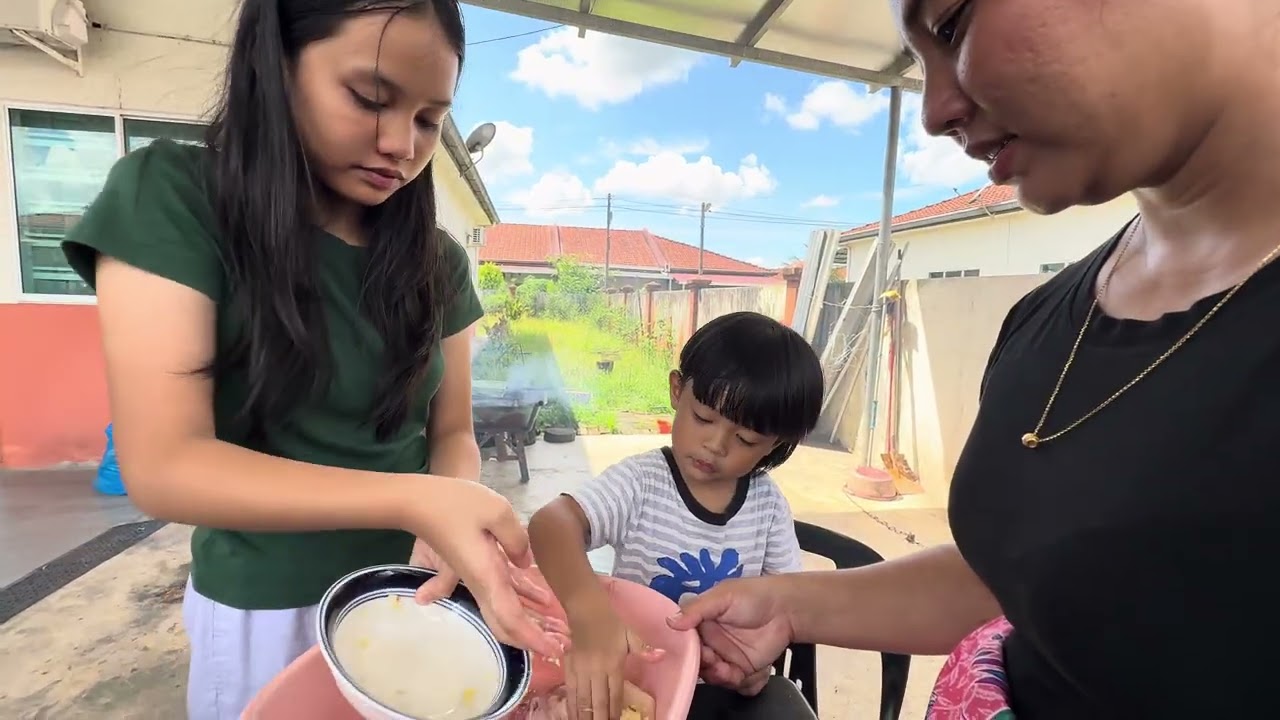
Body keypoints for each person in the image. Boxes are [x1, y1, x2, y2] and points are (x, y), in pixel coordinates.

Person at [669, 0, 1280, 717]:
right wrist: (788, 604)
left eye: (953, 23)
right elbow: (1024, 580)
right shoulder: (1047, 317)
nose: (934, 110)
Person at [61, 1, 560, 718]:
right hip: (265, 611)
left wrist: (443, 520)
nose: (402, 144)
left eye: (428, 120)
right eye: (369, 99)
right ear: (277, 67)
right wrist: (418, 498)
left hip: (412, 594)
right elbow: (164, 465)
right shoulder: (174, 199)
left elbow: (450, 434)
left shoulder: (437, 264)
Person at [528, 311, 824, 720]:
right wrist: (590, 613)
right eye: (703, 417)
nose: (715, 444)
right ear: (676, 390)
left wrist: (756, 666)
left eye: (745, 438)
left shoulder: (767, 507)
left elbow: (789, 603)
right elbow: (551, 524)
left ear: (775, 445)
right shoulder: (641, 482)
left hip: (719, 694)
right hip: (640, 683)